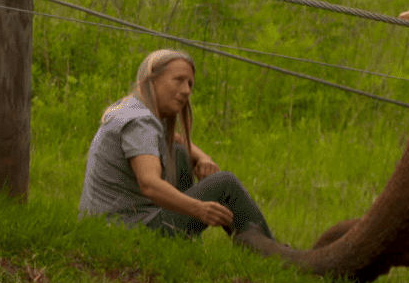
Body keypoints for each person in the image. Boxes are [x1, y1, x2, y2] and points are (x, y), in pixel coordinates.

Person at [79, 49, 273, 243]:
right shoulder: (140, 123)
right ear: (151, 80)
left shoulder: (133, 108)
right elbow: (150, 184)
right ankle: (269, 251)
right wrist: (200, 209)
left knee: (179, 154)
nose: (187, 90)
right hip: (128, 230)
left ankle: (250, 244)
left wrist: (203, 157)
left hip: (111, 223)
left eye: (189, 84)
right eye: (179, 80)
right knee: (225, 184)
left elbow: (175, 138)